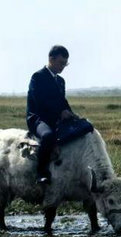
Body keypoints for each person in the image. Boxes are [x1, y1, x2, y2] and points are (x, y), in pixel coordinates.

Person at [26, 45, 80, 185]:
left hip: (56, 118)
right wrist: (60, 113)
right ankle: (41, 173)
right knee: (48, 136)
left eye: (65, 64)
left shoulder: (60, 81)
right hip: (38, 119)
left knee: (83, 128)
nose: (62, 67)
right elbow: (40, 103)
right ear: (51, 58)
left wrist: (72, 115)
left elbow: (63, 102)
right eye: (61, 63)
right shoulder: (38, 77)